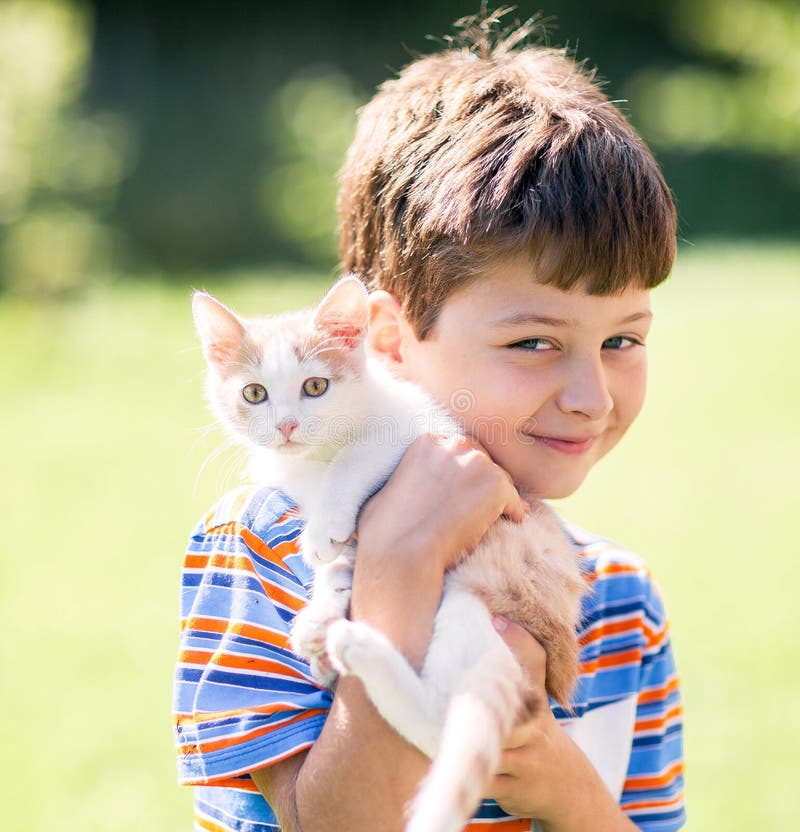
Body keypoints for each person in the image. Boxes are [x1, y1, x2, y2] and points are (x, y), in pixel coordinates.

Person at [173, 14, 685, 832]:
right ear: (383, 344)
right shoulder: (266, 550)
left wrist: (565, 789)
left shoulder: (617, 598)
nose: (591, 394)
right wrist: (400, 568)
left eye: (622, 338)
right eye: (533, 341)